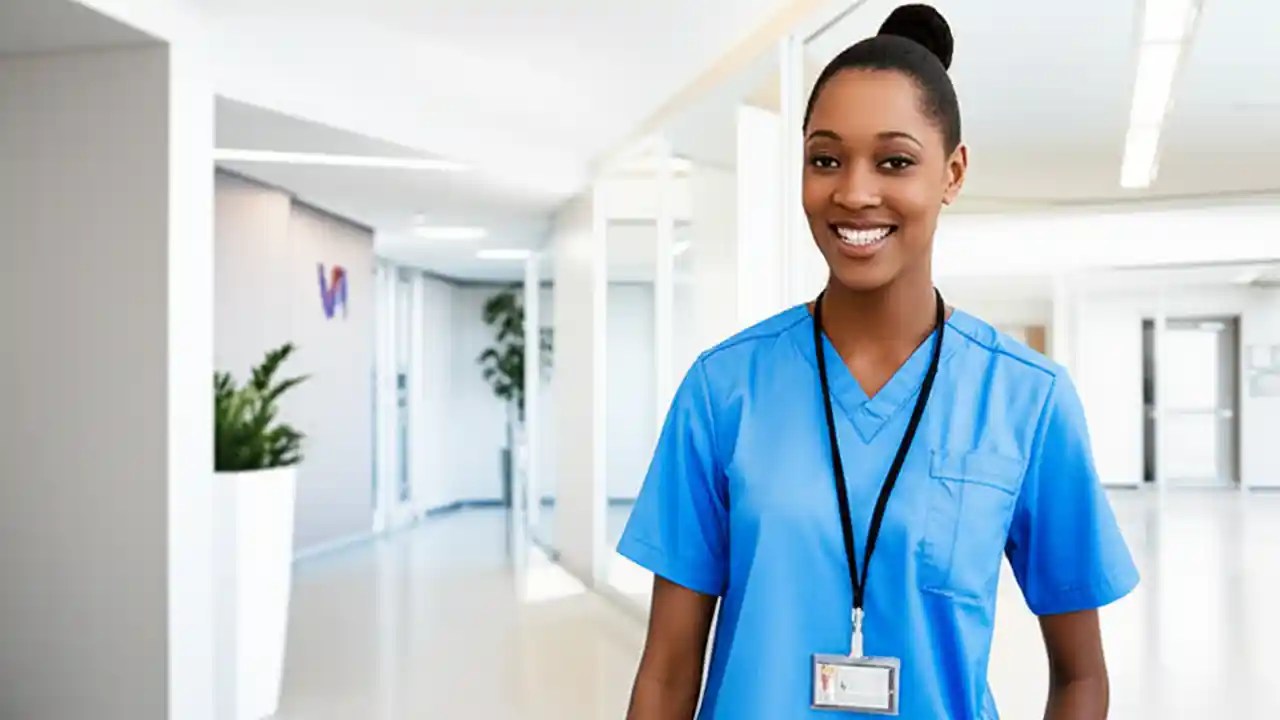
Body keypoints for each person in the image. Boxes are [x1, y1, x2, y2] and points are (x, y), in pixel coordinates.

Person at [616, 4, 1139, 718]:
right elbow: (667, 673)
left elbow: (1081, 677)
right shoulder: (724, 389)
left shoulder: (1025, 399)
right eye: (825, 159)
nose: (855, 192)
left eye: (894, 161)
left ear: (953, 173)